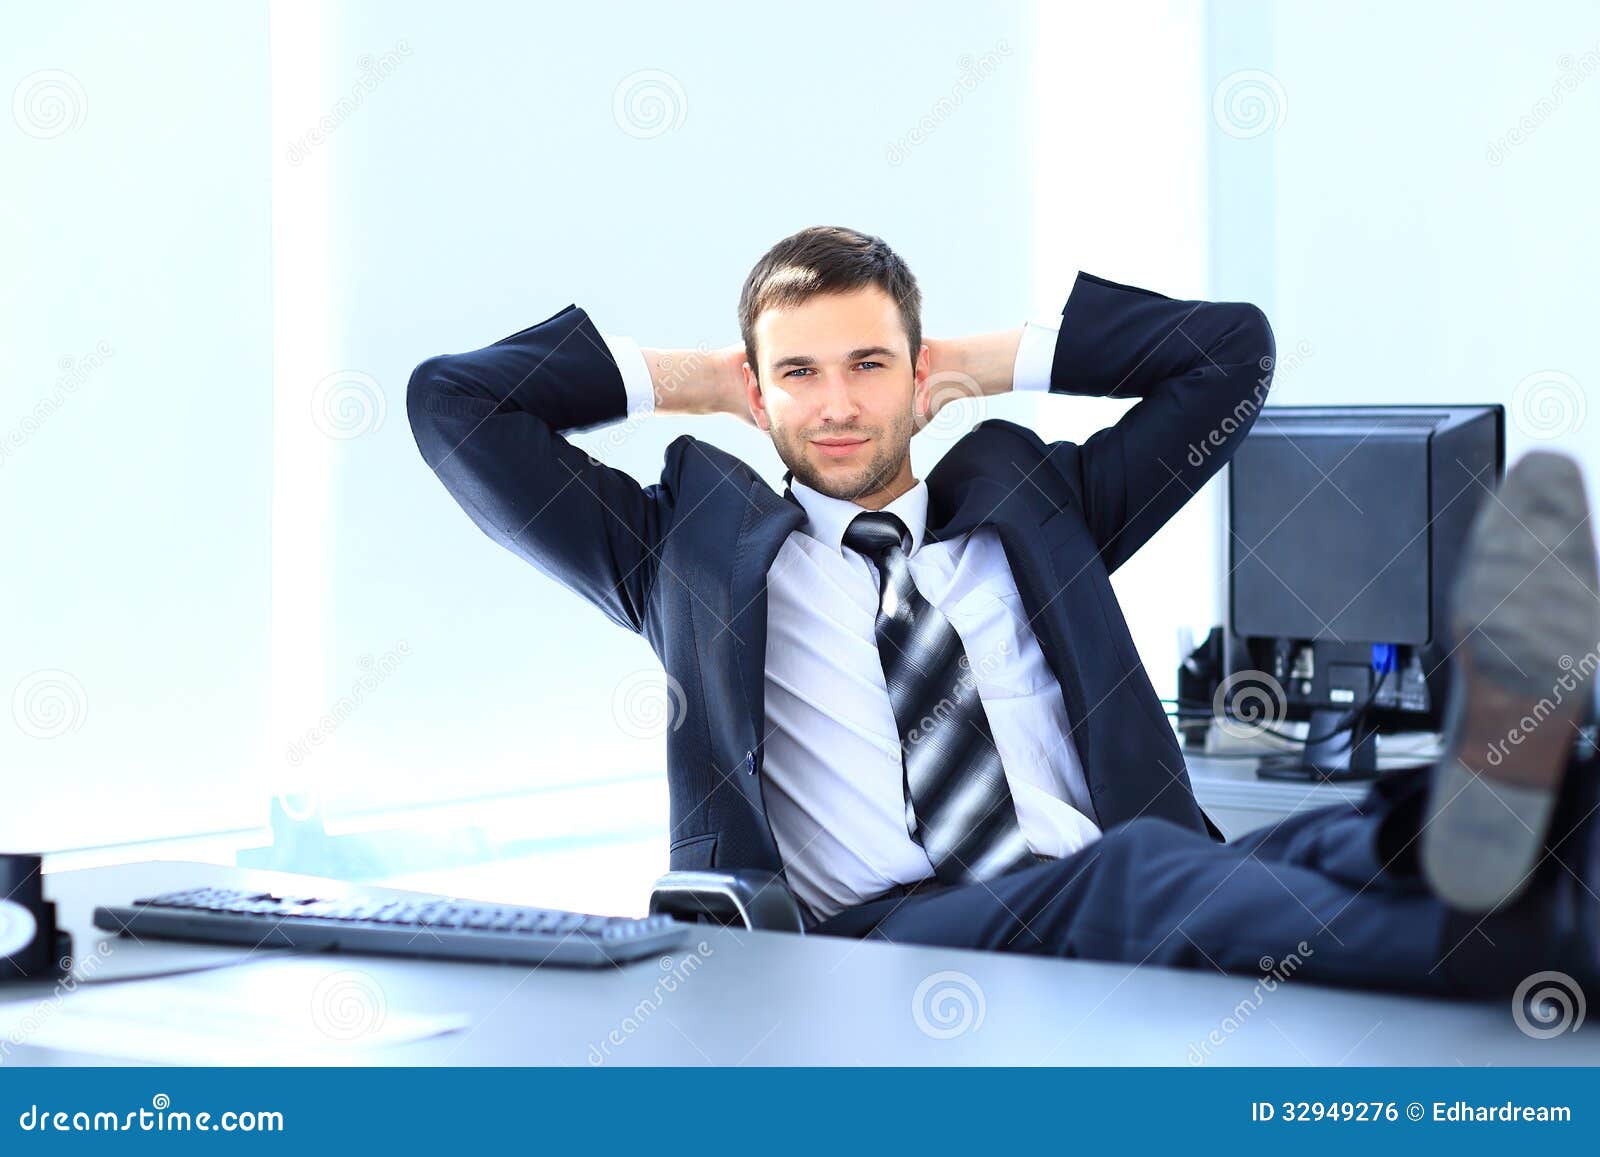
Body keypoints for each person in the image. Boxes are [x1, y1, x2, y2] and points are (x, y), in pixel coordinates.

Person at [407, 225, 1599, 998]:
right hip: (890, 946)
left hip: (1124, 889)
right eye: (799, 374)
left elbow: (1229, 355)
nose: (836, 405)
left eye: (869, 364)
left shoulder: (1038, 509)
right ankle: (1544, 948)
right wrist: (690, 377)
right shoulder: (683, 554)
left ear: (919, 380)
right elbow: (456, 407)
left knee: (1364, 835)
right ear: (757, 395)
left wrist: (986, 360)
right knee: (1137, 874)